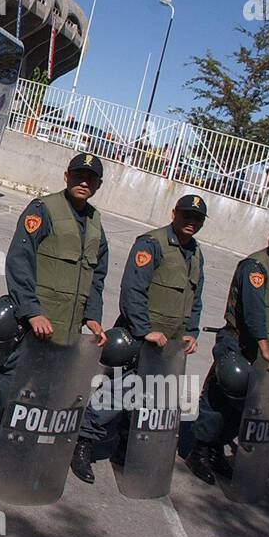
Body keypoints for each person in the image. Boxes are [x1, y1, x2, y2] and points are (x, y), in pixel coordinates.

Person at [0, 152, 108, 485]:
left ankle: (21, 449)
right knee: (8, 385)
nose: (84, 182)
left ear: (98, 185)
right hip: (36, 325)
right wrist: (32, 310)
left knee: (51, 393)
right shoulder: (43, 210)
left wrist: (94, 317)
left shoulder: (97, 223)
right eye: (79, 175)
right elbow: (19, 261)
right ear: (67, 175)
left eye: (91, 178)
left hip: (69, 331)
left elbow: (97, 277)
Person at [72, 193, 203, 484]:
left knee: (149, 401)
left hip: (168, 348)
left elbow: (195, 301)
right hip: (140, 338)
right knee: (116, 395)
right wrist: (145, 330)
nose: (191, 222)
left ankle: (124, 449)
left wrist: (191, 333)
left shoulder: (196, 253)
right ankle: (83, 443)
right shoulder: (152, 244)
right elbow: (132, 291)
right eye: (186, 216)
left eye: (196, 219)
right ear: (174, 214)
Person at [183, 221, 269, 486]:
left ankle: (216, 449)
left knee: (243, 405)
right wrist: (265, 347)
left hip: (262, 352)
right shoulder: (255, 267)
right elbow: (253, 311)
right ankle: (199, 450)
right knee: (219, 399)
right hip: (238, 344)